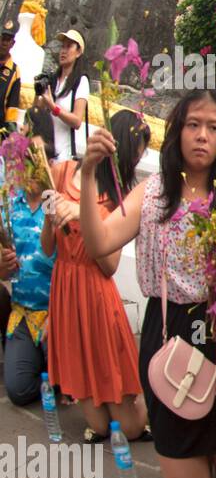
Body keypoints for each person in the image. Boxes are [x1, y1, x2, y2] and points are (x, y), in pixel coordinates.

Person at [79, 90, 216, 478]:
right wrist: (88, 174)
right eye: (193, 125)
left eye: (214, 127)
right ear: (178, 131)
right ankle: (190, 451)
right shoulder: (153, 194)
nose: (202, 136)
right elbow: (99, 243)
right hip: (171, 336)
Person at [46, 109, 151, 442]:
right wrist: (51, 215)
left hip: (95, 294)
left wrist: (83, 216)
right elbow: (48, 248)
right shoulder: (61, 172)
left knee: (131, 429)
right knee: (103, 427)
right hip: (65, 289)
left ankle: (155, 396)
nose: (140, 156)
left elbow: (109, 267)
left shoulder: (119, 197)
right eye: (139, 147)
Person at [0, 116, 57, 404]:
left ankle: (61, 373)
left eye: (38, 159)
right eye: (26, 159)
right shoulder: (10, 204)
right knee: (19, 390)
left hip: (59, 314)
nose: (32, 167)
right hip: (22, 312)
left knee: (67, 375)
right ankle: (52, 375)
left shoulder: (61, 206)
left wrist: (58, 316)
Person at [31, 30, 89, 161]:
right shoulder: (52, 79)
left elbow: (77, 121)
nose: (64, 51)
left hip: (63, 156)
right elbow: (36, 111)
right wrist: (38, 93)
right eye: (63, 46)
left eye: (69, 46)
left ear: (78, 52)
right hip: (42, 152)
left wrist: (54, 108)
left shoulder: (81, 81)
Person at [0, 22, 21, 130]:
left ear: (12, 43)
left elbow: (12, 106)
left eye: (7, 40)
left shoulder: (14, 71)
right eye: (3, 38)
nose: (4, 43)